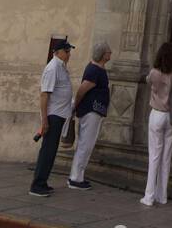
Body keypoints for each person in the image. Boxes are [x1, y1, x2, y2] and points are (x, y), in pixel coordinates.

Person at [141, 41, 172, 207]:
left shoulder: (154, 73)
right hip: (171, 117)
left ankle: (149, 196)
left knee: (154, 156)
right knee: (166, 158)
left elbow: (148, 81)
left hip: (157, 114)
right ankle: (162, 195)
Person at [30, 38, 75, 196]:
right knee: (47, 152)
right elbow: (44, 95)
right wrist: (45, 121)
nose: (69, 54)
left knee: (51, 151)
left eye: (69, 51)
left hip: (59, 116)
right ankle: (37, 185)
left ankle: (43, 182)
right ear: (57, 52)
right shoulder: (53, 68)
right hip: (53, 116)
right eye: (66, 51)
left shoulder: (61, 67)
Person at [67, 40, 112, 190]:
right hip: (91, 111)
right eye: (108, 52)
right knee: (86, 144)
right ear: (103, 55)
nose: (110, 54)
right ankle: (75, 178)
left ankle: (78, 176)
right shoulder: (94, 70)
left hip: (94, 110)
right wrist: (75, 105)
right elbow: (82, 90)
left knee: (86, 143)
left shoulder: (98, 69)